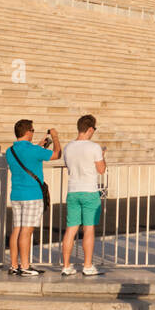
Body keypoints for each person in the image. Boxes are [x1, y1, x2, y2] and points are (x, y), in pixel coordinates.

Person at [6, 119, 61, 277]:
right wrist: (55, 138)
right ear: (28, 131)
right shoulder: (33, 150)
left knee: (16, 230)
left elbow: (26, 155)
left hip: (16, 194)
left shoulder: (11, 151)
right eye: (33, 130)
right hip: (32, 195)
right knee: (26, 231)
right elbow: (57, 154)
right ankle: (25, 266)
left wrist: (38, 145)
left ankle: (14, 265)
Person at [59, 114, 105, 276]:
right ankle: (87, 265)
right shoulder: (94, 147)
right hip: (89, 190)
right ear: (90, 129)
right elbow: (101, 169)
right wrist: (102, 157)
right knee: (88, 229)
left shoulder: (68, 147)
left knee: (70, 229)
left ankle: (66, 266)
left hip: (73, 190)